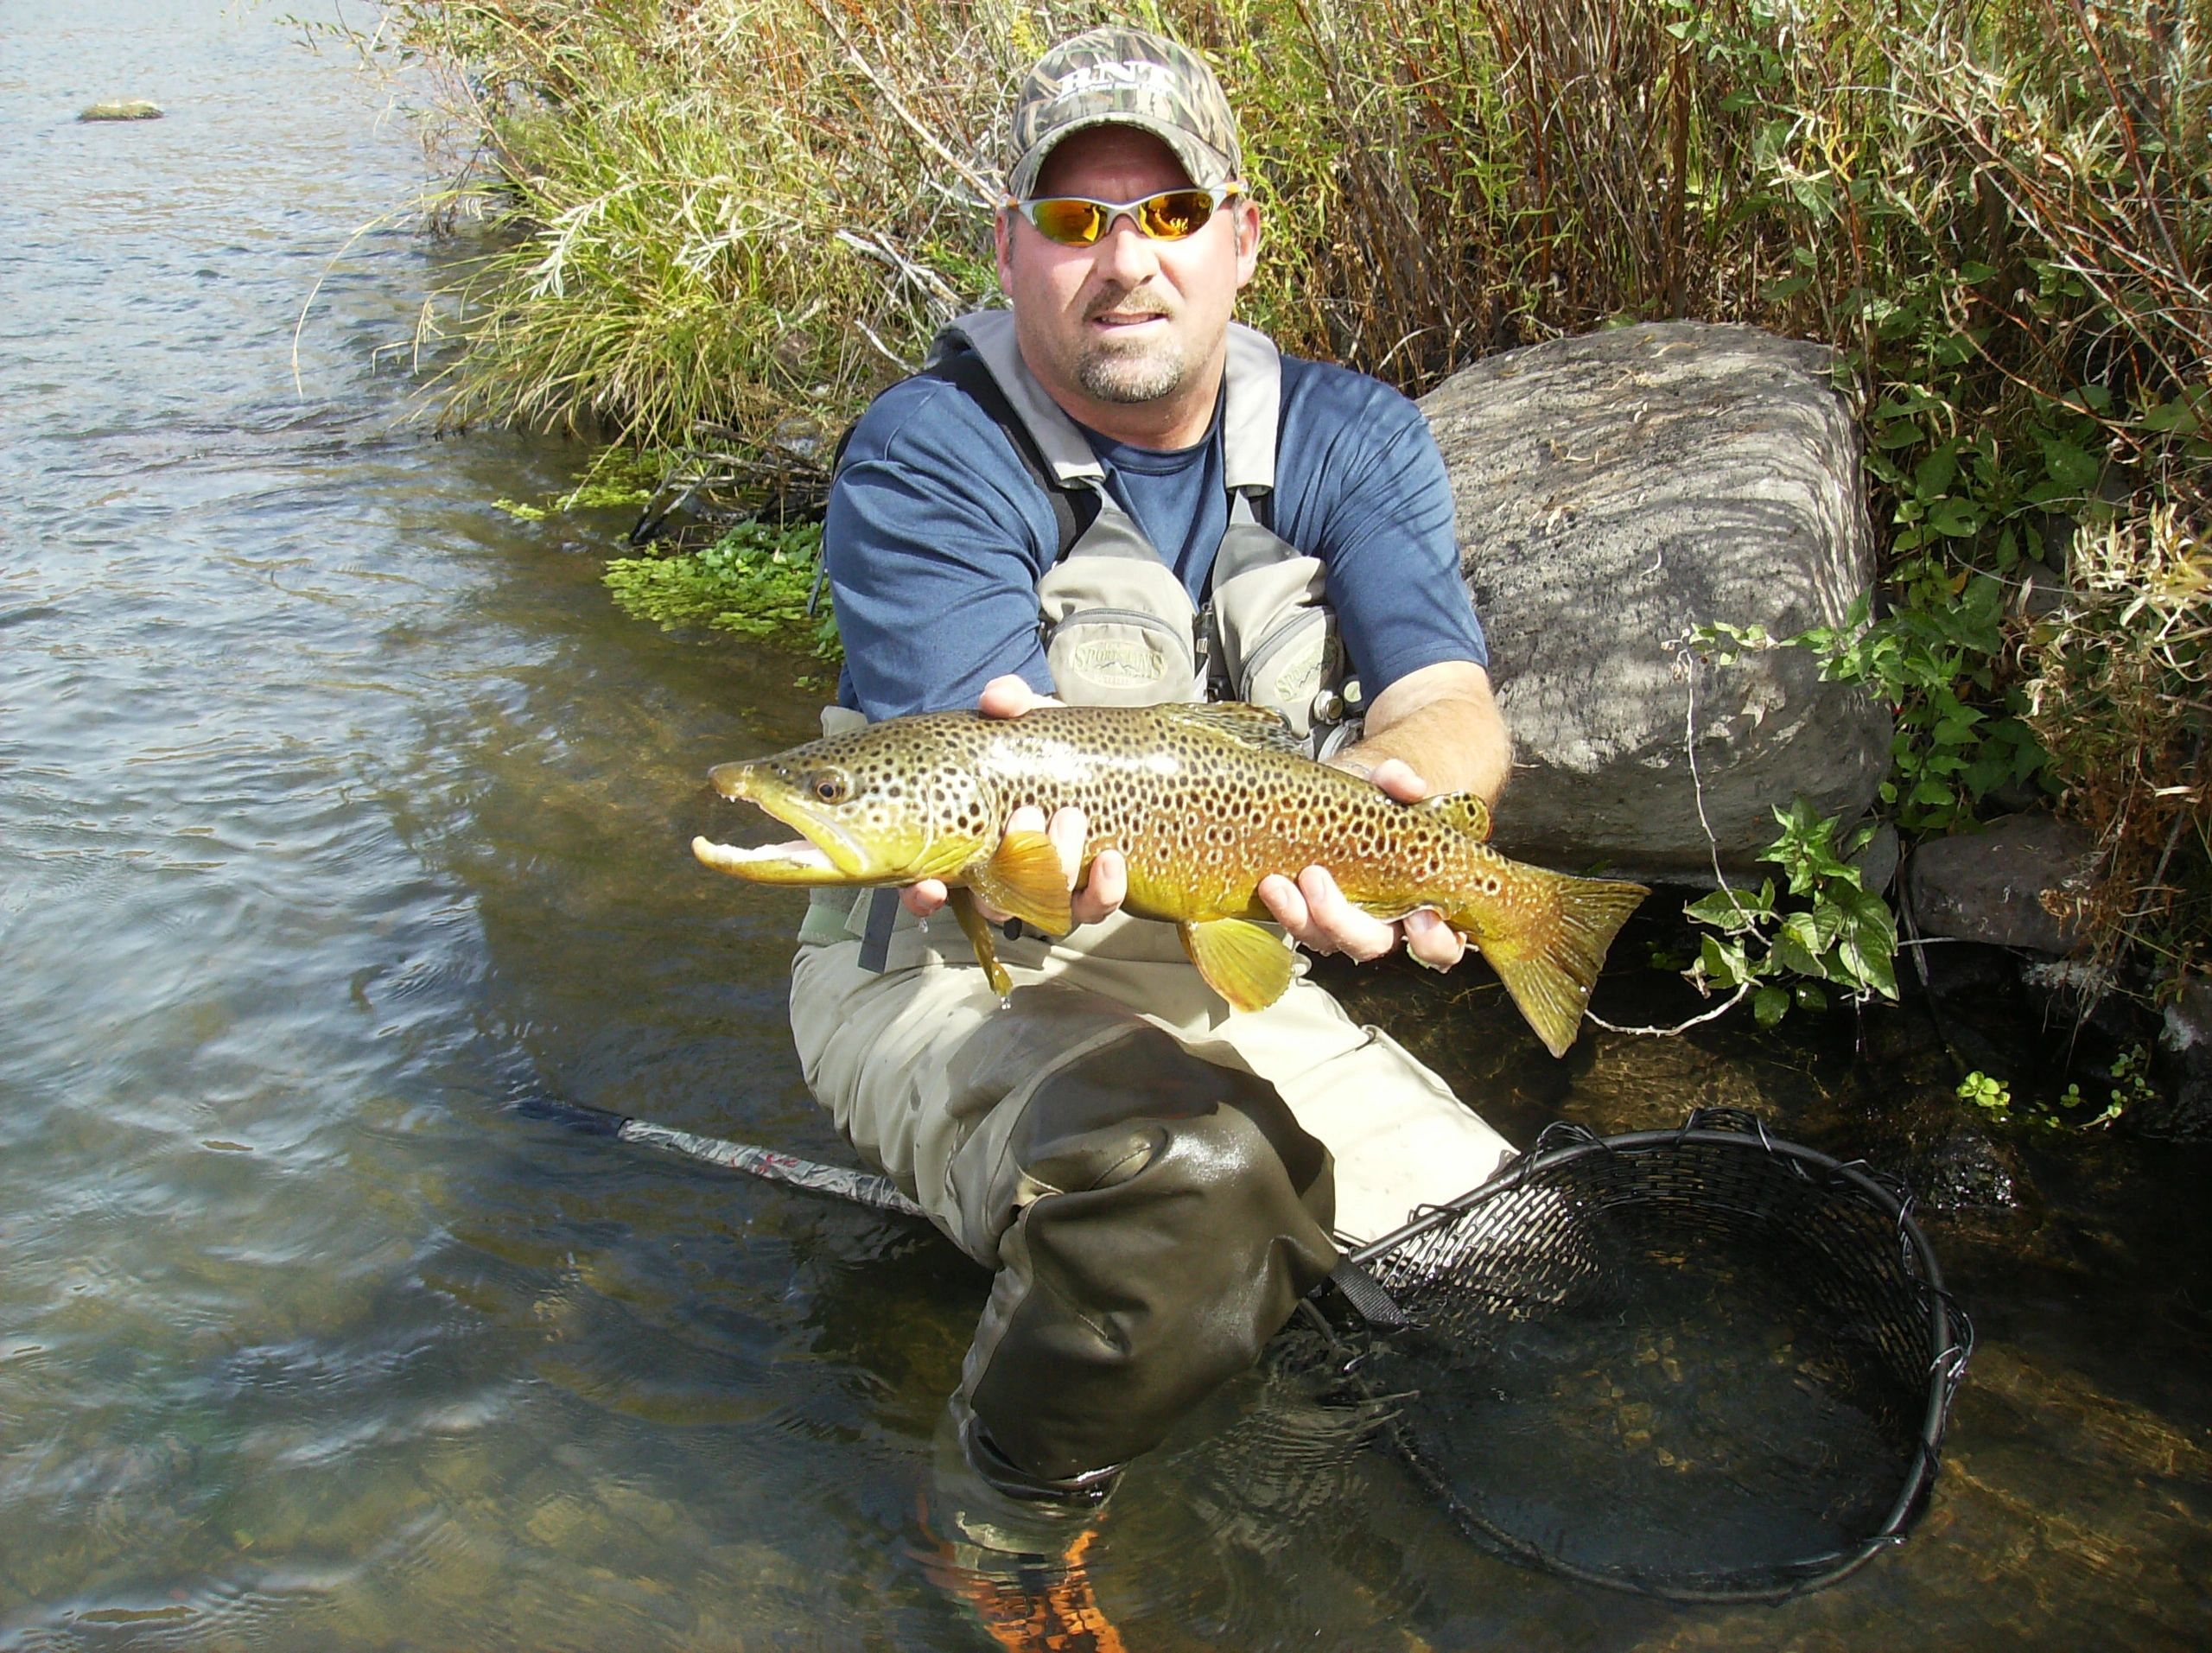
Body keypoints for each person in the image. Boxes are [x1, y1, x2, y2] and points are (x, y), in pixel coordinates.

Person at [791, 26, 1519, 1507]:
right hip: (956, 967)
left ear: (1240, 238)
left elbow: (1451, 702)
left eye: (1170, 214)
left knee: (1508, 1268)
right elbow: (960, 808)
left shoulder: (1351, 437)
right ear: (1011, 252)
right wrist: (1033, 875)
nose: (1126, 260)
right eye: (1074, 221)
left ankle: (1280, 1496)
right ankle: (998, 1527)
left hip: (1227, 956)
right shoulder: (930, 454)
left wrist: (1409, 806)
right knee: (1187, 1187)